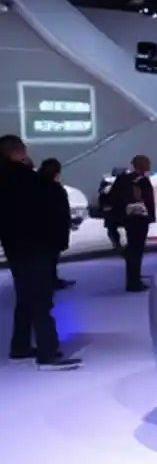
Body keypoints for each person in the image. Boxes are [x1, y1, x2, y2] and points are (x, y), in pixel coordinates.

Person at [1, 136, 80, 370]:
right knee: (40, 299)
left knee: (25, 297)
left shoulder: (7, 180)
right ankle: (47, 353)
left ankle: (20, 346)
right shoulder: (28, 181)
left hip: (15, 247)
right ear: (18, 152)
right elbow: (45, 212)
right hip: (36, 247)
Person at [107, 155, 156, 292]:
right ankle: (133, 281)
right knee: (136, 250)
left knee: (135, 250)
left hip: (135, 219)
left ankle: (134, 279)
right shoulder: (135, 180)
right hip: (137, 219)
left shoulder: (128, 179)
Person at [36, 159, 75, 290]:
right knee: (50, 258)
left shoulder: (35, 186)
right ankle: (49, 281)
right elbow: (60, 211)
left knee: (46, 259)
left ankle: (49, 280)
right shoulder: (54, 188)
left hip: (42, 230)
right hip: (52, 230)